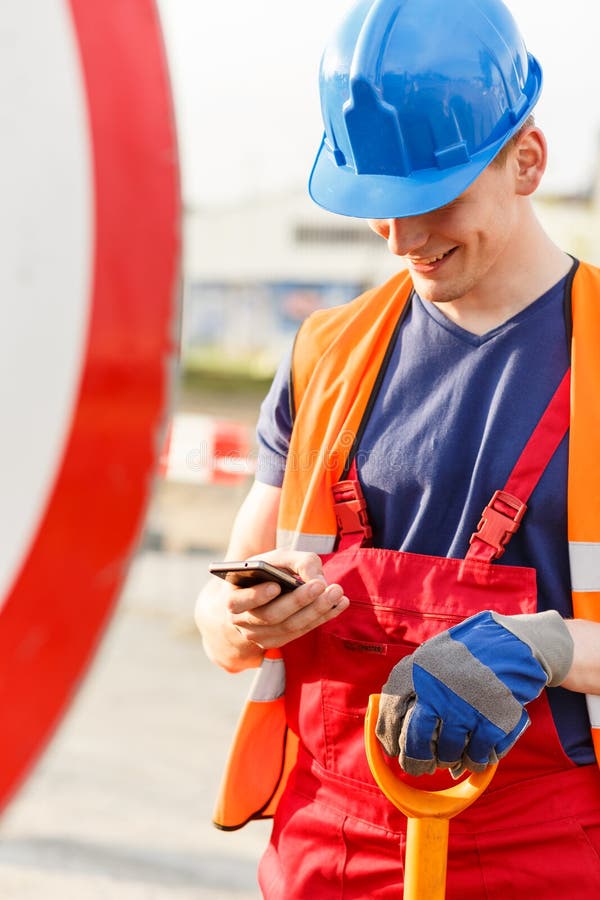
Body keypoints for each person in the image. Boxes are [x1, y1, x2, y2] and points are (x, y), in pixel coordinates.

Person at [196, 0, 600, 895]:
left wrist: (548, 648)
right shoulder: (326, 353)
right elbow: (219, 614)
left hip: (542, 845)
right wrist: (237, 616)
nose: (403, 238)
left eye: (434, 199)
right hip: (329, 841)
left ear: (526, 160)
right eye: (380, 205)